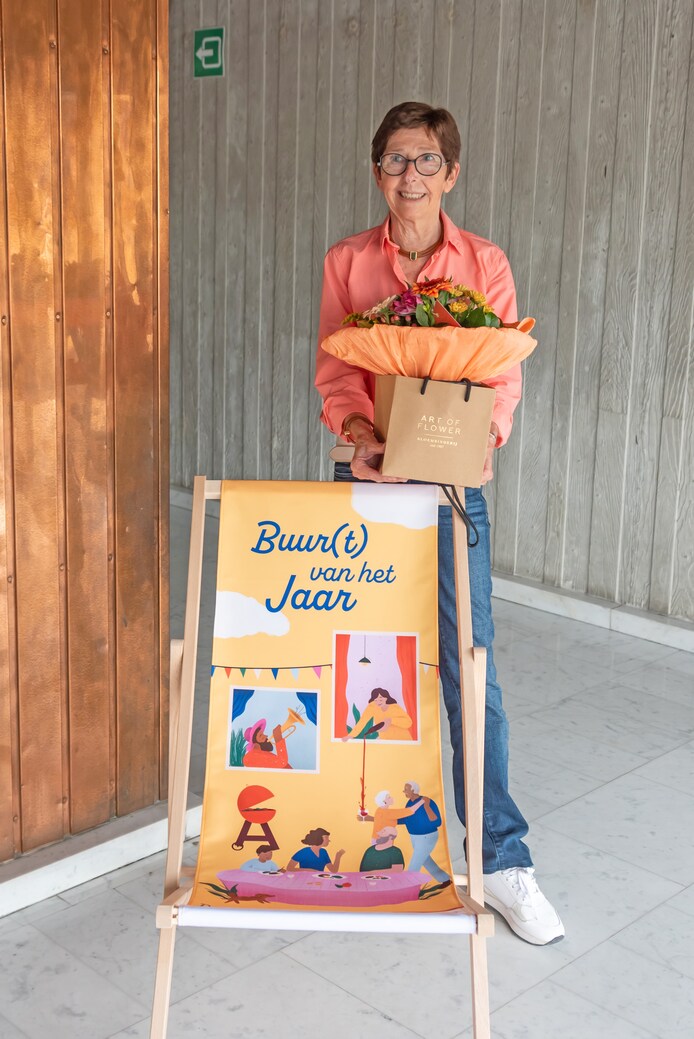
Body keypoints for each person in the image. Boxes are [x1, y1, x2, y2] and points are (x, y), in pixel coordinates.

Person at [314, 101, 564, 945]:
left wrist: (475, 441)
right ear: (376, 172)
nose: (409, 176)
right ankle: (362, 842)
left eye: (424, 160)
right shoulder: (348, 263)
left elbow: (499, 380)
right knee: (363, 670)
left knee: (471, 670)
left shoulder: (483, 262)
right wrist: (357, 438)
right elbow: (337, 370)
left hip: (454, 493)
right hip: (372, 487)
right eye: (393, 160)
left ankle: (501, 861)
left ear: (450, 173)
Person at [397, 781, 451, 888]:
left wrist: (426, 805)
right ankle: (445, 879)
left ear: (413, 790)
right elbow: (406, 819)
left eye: (406, 789)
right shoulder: (409, 803)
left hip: (427, 836)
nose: (404, 791)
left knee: (414, 864)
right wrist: (385, 821)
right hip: (415, 837)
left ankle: (408, 888)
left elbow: (437, 822)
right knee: (426, 861)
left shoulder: (427, 801)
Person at [341, 687, 413, 741]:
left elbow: (408, 722)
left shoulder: (394, 707)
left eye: (381, 699)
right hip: (386, 741)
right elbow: (362, 722)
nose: (378, 702)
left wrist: (391, 720)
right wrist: (351, 735)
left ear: (386, 698)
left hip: (403, 739)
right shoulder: (372, 706)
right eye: (376, 700)